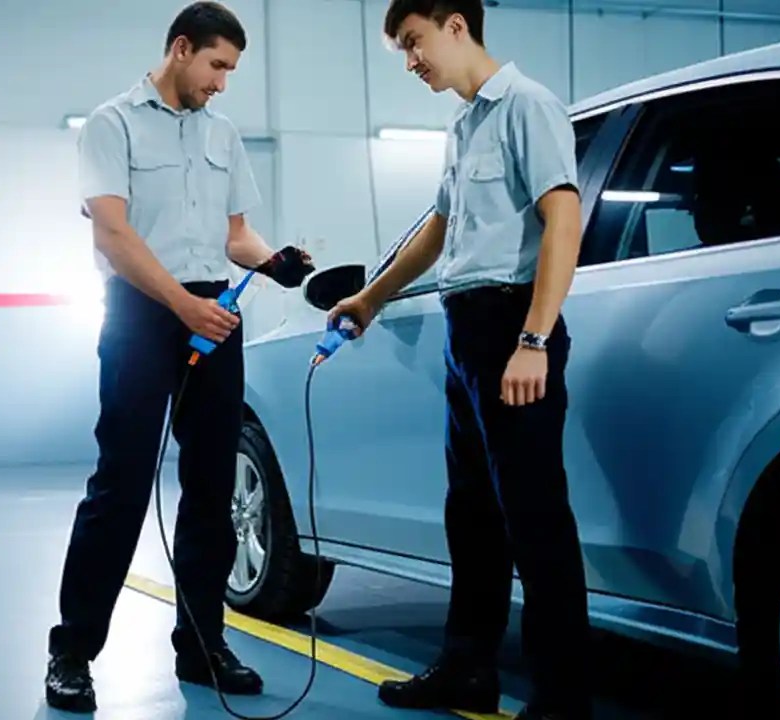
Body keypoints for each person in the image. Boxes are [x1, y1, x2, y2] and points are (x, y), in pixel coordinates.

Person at [44, 1, 315, 714]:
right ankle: (72, 652)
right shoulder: (112, 124)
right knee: (122, 484)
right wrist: (181, 305)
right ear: (182, 48)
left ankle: (202, 644)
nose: (222, 82)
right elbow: (113, 234)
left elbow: (235, 236)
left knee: (211, 484)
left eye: (231, 71)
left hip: (213, 313)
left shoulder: (221, 134)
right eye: (217, 66)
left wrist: (275, 261)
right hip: (141, 312)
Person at [329, 1, 591, 719]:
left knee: (535, 518)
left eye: (414, 42)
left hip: (511, 322)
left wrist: (533, 340)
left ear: (455, 26)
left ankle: (563, 698)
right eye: (401, 51)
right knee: (472, 514)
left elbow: (563, 218)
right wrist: (371, 297)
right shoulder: (465, 124)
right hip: (467, 329)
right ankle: (468, 668)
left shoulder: (528, 106)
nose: (411, 62)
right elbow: (440, 227)